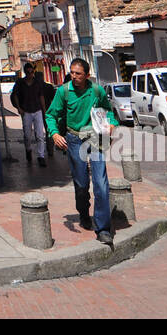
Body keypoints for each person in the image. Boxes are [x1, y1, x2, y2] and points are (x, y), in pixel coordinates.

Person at [46, 57, 120, 247]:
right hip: (73, 139)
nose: (74, 76)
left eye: (78, 73)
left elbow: (108, 110)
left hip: (95, 137)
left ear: (87, 75)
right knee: (81, 183)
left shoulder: (96, 90)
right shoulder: (63, 92)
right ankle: (83, 212)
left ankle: (103, 229)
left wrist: (111, 124)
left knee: (101, 183)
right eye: (72, 72)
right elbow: (51, 115)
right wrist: (54, 134)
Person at [10, 62, 53, 167]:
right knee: (27, 135)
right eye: (28, 72)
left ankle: (41, 156)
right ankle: (28, 150)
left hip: (37, 110)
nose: (30, 74)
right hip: (26, 112)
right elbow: (15, 95)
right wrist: (19, 108)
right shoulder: (20, 83)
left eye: (32, 72)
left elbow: (41, 96)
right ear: (25, 72)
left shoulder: (37, 83)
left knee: (40, 135)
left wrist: (44, 110)